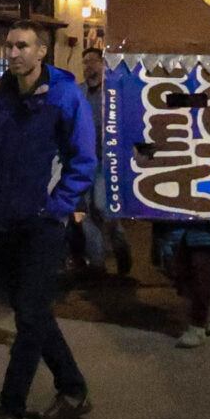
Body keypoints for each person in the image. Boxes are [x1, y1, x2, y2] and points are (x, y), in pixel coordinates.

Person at [0, 22, 97, 419]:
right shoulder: (0, 99)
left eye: (22, 45)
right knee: (33, 313)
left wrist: (57, 207)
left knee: (28, 315)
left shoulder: (65, 97)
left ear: (42, 51)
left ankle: (10, 410)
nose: (13, 52)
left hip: (43, 224)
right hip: (6, 222)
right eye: (9, 45)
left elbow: (84, 159)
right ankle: (73, 389)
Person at [72, 47, 132, 279]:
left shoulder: (114, 93)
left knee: (102, 207)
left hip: (106, 163)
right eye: (85, 62)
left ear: (103, 64)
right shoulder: (78, 93)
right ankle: (97, 263)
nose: (88, 67)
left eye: (93, 62)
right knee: (84, 212)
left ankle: (120, 246)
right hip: (82, 162)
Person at [164, 222, 210, 349]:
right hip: (192, 230)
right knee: (186, 274)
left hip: (209, 232)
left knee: (201, 278)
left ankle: (198, 325)